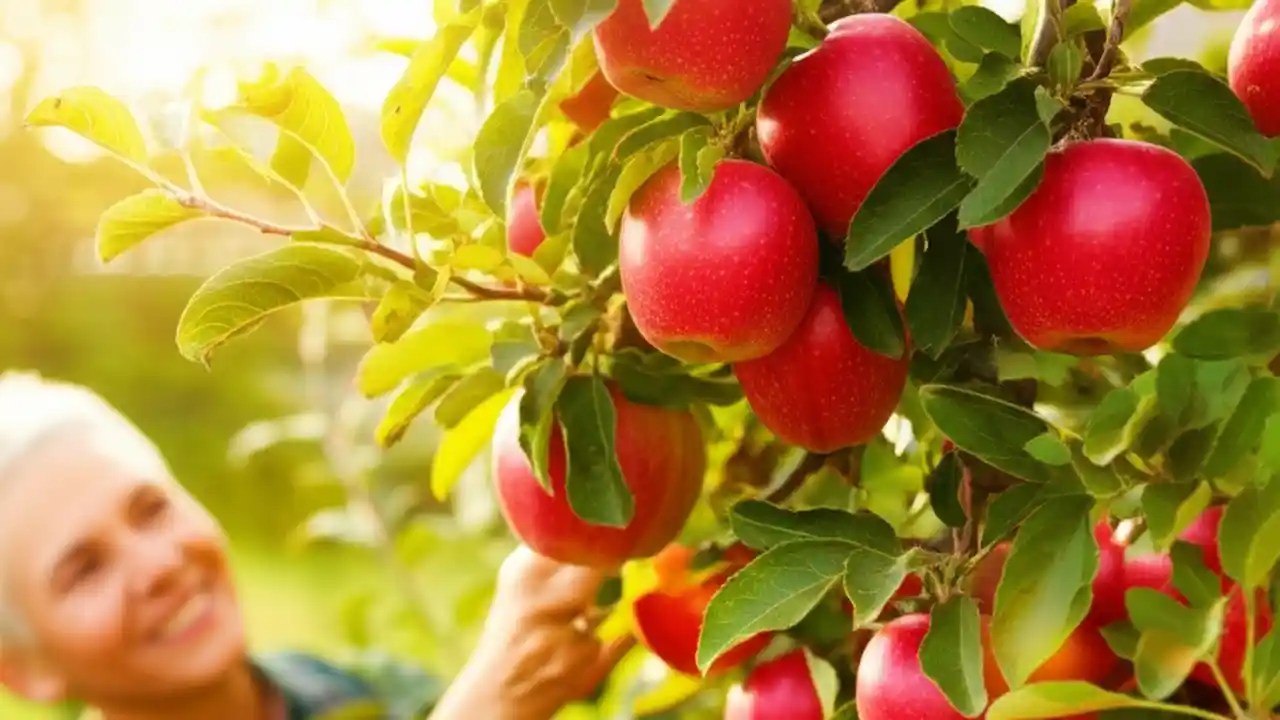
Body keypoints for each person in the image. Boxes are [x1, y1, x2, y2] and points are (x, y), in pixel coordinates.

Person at [0, 371, 630, 720]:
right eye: (83, 571)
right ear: (24, 671)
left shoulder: (363, 696)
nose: (159, 565)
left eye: (152, 509)